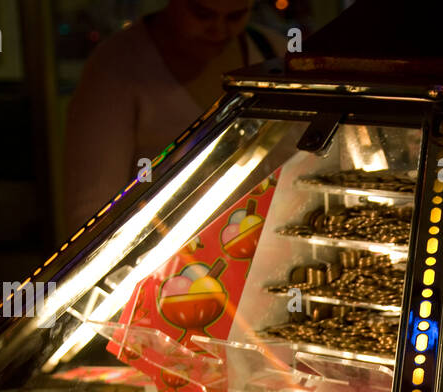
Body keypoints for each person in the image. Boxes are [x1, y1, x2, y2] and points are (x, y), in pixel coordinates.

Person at [64, 0, 285, 228]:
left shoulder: (274, 54)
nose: (219, 29)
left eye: (235, 16)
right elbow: (91, 211)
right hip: (163, 250)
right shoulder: (116, 67)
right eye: (202, 14)